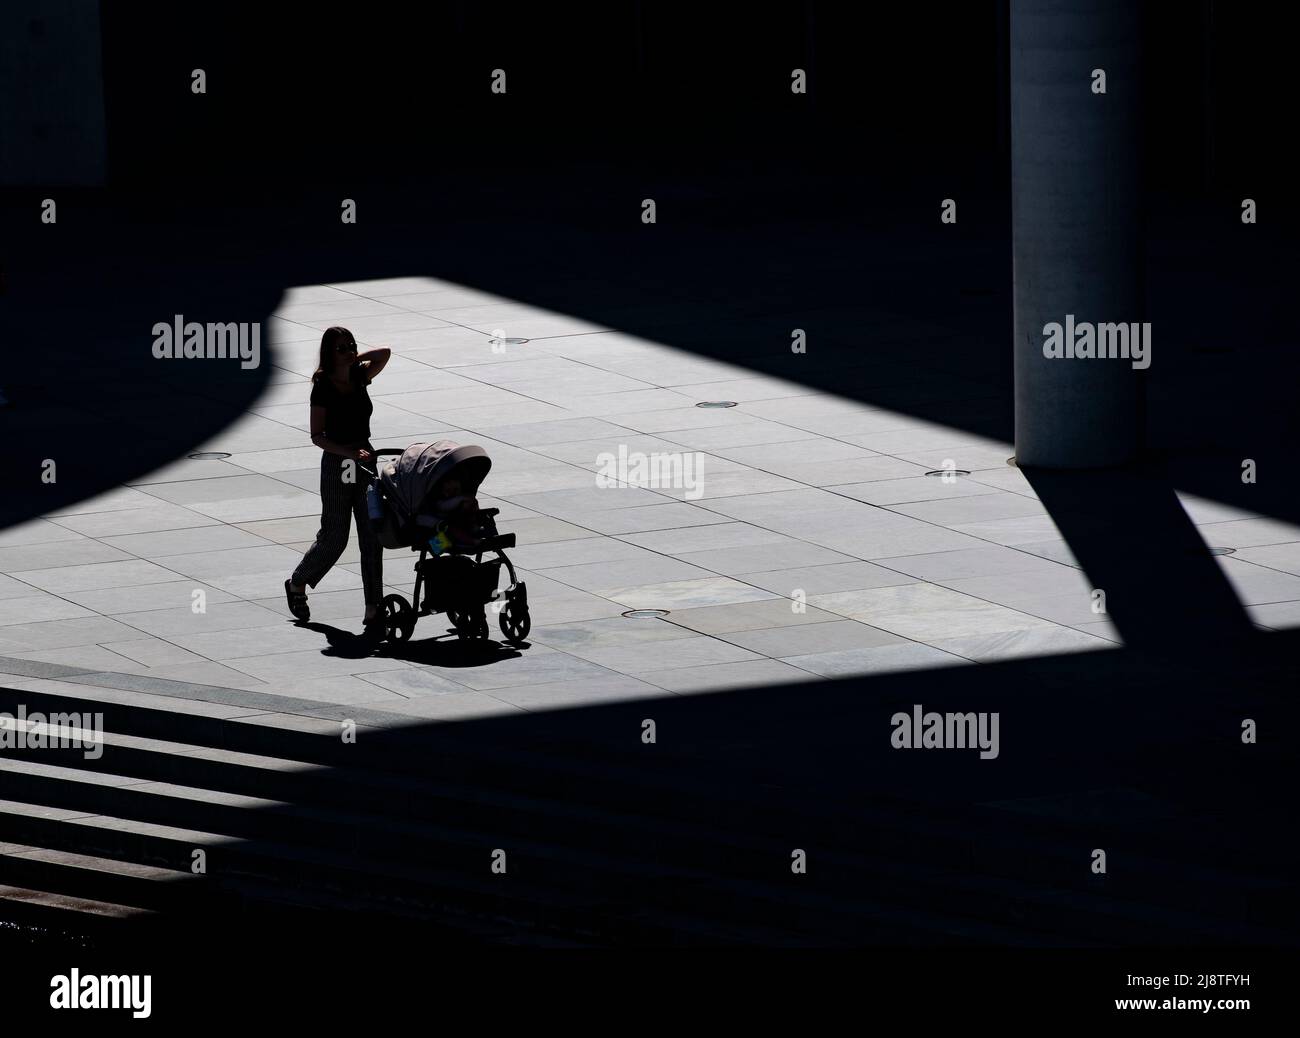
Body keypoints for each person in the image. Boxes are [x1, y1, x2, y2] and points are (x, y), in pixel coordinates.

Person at [284, 327, 391, 627]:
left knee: (372, 536)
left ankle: (373, 608)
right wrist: (346, 452)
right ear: (329, 353)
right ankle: (298, 582)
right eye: (341, 348)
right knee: (335, 536)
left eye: (351, 346)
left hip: (366, 460)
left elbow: (385, 353)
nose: (348, 352)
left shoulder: (359, 376)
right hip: (338, 463)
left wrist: (354, 359)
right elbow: (317, 436)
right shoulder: (323, 386)